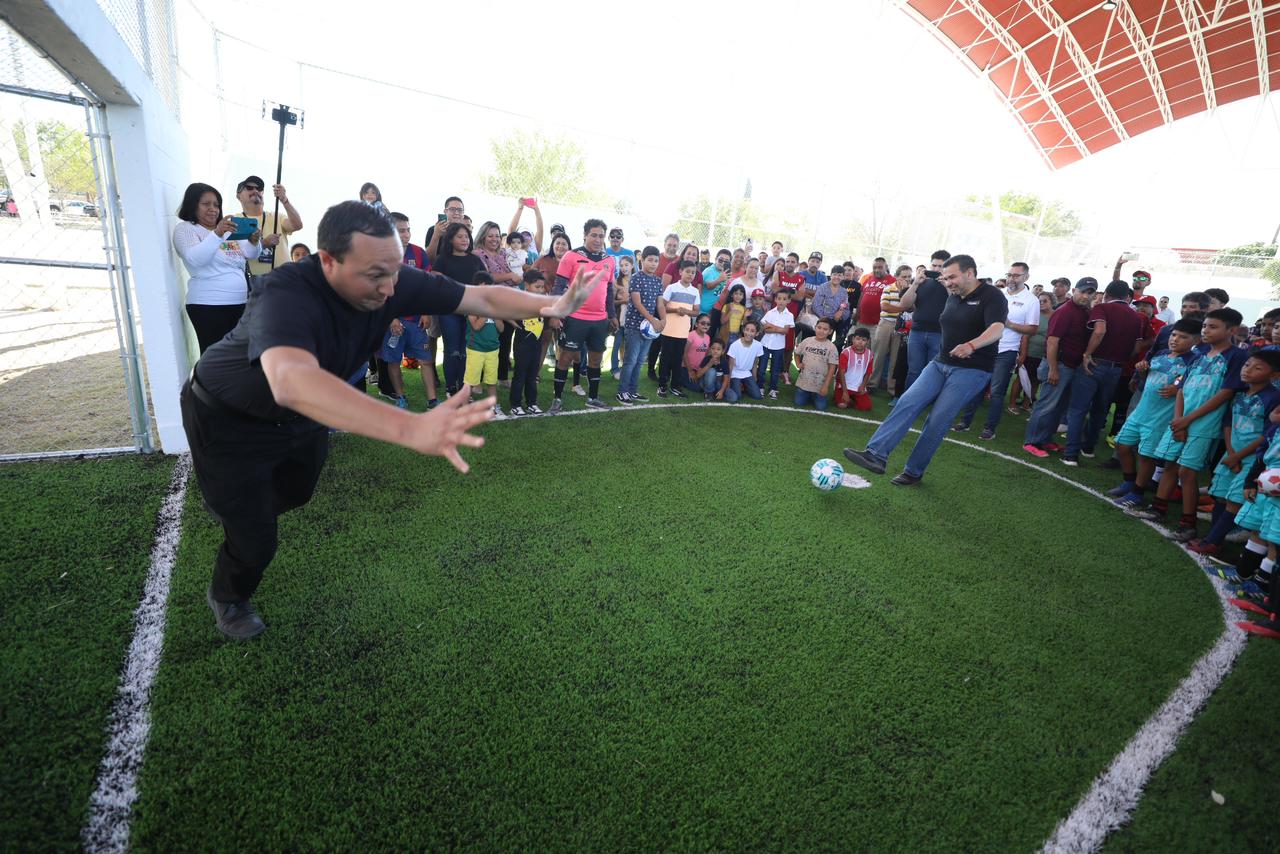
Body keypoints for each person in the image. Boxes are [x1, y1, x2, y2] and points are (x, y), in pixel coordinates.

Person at [182, 201, 605, 639]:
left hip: (300, 419)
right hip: (227, 417)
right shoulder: (286, 292)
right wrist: (411, 427)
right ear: (328, 261)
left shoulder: (391, 276)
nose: (389, 289)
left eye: (394, 272)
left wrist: (553, 303)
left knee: (295, 491)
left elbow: (480, 296)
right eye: (374, 276)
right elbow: (291, 380)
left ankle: (241, 502)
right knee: (254, 535)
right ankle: (229, 594)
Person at [843, 255, 1007, 486]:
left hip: (972, 369)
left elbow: (997, 328)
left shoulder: (992, 296)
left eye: (952, 277)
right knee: (907, 401)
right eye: (945, 277)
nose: (948, 282)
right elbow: (907, 303)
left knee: (938, 419)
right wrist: (918, 283)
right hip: (940, 363)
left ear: (970, 273)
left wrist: (972, 345)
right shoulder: (953, 295)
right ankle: (876, 455)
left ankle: (913, 471)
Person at [1130, 308, 1249, 541]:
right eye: (1205, 326)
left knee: (1187, 472)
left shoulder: (1236, 357)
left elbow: (1225, 394)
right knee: (1169, 464)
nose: (1206, 330)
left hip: (1204, 425)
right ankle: (1158, 509)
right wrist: (1178, 419)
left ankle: (1188, 524)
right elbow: (1182, 388)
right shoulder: (1200, 355)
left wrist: (1188, 420)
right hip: (1180, 421)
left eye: (1213, 326)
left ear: (1231, 330)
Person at [1187, 351, 1280, 557]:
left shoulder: (1273, 397)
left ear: (1273, 375)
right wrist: (1230, 452)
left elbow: (1267, 435)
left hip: (1251, 458)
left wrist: (1238, 456)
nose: (1248, 370)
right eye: (1247, 365)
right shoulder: (1239, 394)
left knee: (1234, 501)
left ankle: (1213, 541)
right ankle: (1213, 537)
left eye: (1257, 368)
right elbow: (1228, 423)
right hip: (1231, 455)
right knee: (1219, 495)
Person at [1107, 318, 1201, 510]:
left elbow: (1187, 383)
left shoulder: (1194, 362)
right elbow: (1147, 376)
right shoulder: (1160, 354)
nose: (1175, 339)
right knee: (1122, 445)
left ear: (1196, 341)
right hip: (1141, 412)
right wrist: (1141, 370)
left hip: (1160, 418)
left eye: (1183, 337)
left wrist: (1177, 388)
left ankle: (1138, 493)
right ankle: (1129, 481)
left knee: (1146, 455)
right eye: (1174, 335)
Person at [1061, 280, 1151, 465]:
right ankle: (1088, 447)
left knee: (1078, 408)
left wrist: (1088, 353)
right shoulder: (1136, 317)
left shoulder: (1102, 308)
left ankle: (1070, 453)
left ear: (1107, 295)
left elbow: (1100, 330)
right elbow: (1139, 345)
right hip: (1116, 367)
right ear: (1127, 297)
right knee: (1100, 410)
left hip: (1094, 363)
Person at [954, 261, 1040, 440]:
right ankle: (965, 422)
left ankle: (989, 428)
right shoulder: (998, 294)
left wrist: (1009, 324)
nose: (1011, 278)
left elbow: (1032, 329)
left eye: (1016, 275)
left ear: (1026, 277)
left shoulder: (1031, 301)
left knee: (997, 391)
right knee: (975, 386)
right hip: (986, 346)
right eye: (1009, 274)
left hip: (1007, 350)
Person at [172, 182, 261, 353]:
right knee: (217, 359)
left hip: (240, 303)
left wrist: (254, 241)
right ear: (193, 205)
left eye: (216, 205)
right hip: (209, 306)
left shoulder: (227, 230)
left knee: (240, 357)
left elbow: (251, 254)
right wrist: (217, 234)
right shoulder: (186, 229)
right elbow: (195, 259)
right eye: (206, 204)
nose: (213, 209)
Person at [549, 219, 618, 413]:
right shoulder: (571, 256)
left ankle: (593, 398)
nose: (598, 239)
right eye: (594, 235)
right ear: (585, 235)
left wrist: (612, 315)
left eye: (601, 236)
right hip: (574, 317)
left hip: (599, 320)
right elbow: (558, 288)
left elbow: (609, 290)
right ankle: (557, 399)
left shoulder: (609, 260)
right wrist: (555, 313)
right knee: (565, 358)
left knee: (595, 360)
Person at [1023, 278, 1097, 457]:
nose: (1086, 296)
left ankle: (1045, 439)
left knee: (1058, 407)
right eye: (1083, 291)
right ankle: (1031, 441)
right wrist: (1053, 368)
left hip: (1071, 366)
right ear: (1075, 290)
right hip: (1059, 365)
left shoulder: (1085, 312)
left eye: (1090, 293)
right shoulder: (1064, 311)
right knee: (1046, 405)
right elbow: (1052, 342)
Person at [378, 212, 437, 409]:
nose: (406, 234)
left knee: (426, 360)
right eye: (401, 230)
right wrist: (391, 318)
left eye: (408, 230)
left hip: (417, 320)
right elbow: (380, 292)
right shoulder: (382, 257)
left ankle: (432, 400)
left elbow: (426, 286)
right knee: (394, 361)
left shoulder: (419, 253)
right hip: (394, 322)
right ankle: (401, 396)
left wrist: (427, 312)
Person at [427, 223, 484, 397]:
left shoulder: (475, 260)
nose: (464, 239)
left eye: (466, 236)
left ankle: (464, 387)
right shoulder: (442, 259)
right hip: (449, 311)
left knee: (467, 350)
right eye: (459, 236)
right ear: (450, 239)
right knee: (453, 350)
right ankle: (451, 387)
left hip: (471, 311)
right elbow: (435, 280)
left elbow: (485, 281)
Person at [896, 250, 950, 394]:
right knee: (913, 370)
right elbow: (905, 305)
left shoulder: (952, 284)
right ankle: (908, 398)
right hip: (917, 332)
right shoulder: (921, 282)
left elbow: (956, 304)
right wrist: (915, 284)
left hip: (939, 333)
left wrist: (947, 286)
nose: (937, 269)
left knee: (933, 371)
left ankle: (926, 399)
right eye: (934, 266)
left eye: (941, 266)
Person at [234, 175, 303, 278]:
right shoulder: (235, 220)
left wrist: (284, 199)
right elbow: (237, 253)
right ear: (238, 195)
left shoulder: (277, 216)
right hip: (257, 284)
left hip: (286, 279)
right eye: (249, 188)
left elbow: (297, 225)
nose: (255, 191)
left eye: (259, 189)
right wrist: (264, 243)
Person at [618, 246, 662, 404]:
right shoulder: (636, 277)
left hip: (648, 329)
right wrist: (653, 320)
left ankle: (632, 390)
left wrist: (663, 320)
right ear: (642, 260)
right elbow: (637, 303)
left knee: (639, 361)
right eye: (650, 260)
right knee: (630, 360)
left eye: (656, 261)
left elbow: (660, 304)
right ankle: (622, 392)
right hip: (634, 326)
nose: (653, 263)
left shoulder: (657, 281)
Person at [465, 272, 506, 419]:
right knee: (471, 380)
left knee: (491, 380)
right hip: (475, 348)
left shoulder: (495, 307)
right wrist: (487, 311)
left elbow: (501, 329)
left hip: (493, 349)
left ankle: (493, 406)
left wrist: (495, 314)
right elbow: (476, 326)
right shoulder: (472, 306)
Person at [656, 261, 700, 397]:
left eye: (693, 273)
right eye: (688, 271)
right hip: (668, 330)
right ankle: (662, 385)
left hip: (682, 332)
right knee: (665, 358)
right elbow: (661, 306)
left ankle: (675, 386)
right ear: (681, 272)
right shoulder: (671, 288)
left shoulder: (695, 291)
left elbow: (696, 312)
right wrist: (676, 310)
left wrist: (686, 312)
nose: (690, 275)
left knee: (677, 360)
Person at [508, 269, 548, 416]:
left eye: (542, 287)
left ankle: (531, 403)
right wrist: (514, 323)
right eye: (537, 287)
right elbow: (506, 312)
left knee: (532, 374)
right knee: (520, 374)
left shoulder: (542, 301)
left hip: (536, 344)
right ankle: (515, 404)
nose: (540, 290)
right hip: (522, 344)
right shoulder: (520, 299)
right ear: (527, 285)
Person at [872, 264, 910, 395]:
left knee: (895, 359)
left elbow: (913, 308)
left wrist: (906, 293)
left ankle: (892, 388)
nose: (907, 279)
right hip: (886, 324)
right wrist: (904, 307)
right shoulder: (888, 288)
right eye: (904, 276)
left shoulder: (912, 291)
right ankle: (872, 384)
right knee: (878, 355)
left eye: (909, 276)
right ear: (897, 276)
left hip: (902, 327)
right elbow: (885, 307)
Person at [793, 317, 839, 410]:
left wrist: (826, 386)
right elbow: (797, 353)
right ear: (815, 327)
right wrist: (798, 364)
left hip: (820, 384)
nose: (821, 331)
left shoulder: (831, 347)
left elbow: (832, 368)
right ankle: (808, 394)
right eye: (819, 327)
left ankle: (815, 395)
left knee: (821, 407)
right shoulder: (807, 341)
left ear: (830, 332)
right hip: (805, 382)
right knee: (798, 403)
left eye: (825, 329)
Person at [760, 289, 796, 399]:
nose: (781, 301)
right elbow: (765, 329)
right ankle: (760, 387)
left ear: (789, 301)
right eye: (779, 298)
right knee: (762, 368)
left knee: (775, 370)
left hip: (779, 346)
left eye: (784, 299)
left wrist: (772, 326)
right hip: (765, 344)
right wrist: (778, 328)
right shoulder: (770, 313)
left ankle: (773, 389)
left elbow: (785, 331)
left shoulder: (789, 315)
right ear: (775, 299)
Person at [726, 320, 765, 402]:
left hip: (747, 372)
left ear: (757, 334)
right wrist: (728, 383)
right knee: (738, 396)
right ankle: (739, 385)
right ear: (743, 330)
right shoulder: (735, 345)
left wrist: (754, 379)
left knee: (757, 396)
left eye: (752, 331)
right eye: (747, 330)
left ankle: (744, 385)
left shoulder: (758, 345)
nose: (749, 333)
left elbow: (755, 364)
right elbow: (730, 366)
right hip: (735, 373)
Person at [836, 328, 875, 410]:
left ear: (868, 341)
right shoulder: (846, 352)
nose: (860, 342)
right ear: (853, 339)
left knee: (866, 407)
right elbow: (841, 372)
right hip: (844, 387)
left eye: (863, 340)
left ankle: (852, 399)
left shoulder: (870, 354)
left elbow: (868, 372)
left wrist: (863, 386)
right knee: (842, 405)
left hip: (858, 387)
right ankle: (847, 398)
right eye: (858, 339)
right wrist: (845, 392)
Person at [813, 267, 851, 346]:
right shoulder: (822, 287)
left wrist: (840, 313)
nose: (836, 277)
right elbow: (816, 305)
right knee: (819, 343)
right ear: (830, 275)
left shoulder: (843, 291)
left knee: (836, 344)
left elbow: (846, 307)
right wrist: (825, 320)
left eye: (840, 275)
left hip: (836, 322)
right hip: (822, 321)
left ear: (843, 277)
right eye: (834, 274)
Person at [425, 195, 467, 264]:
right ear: (445, 211)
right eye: (452, 209)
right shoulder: (433, 230)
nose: (456, 213)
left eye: (460, 210)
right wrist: (436, 235)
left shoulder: (465, 232)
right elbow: (428, 260)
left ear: (463, 214)